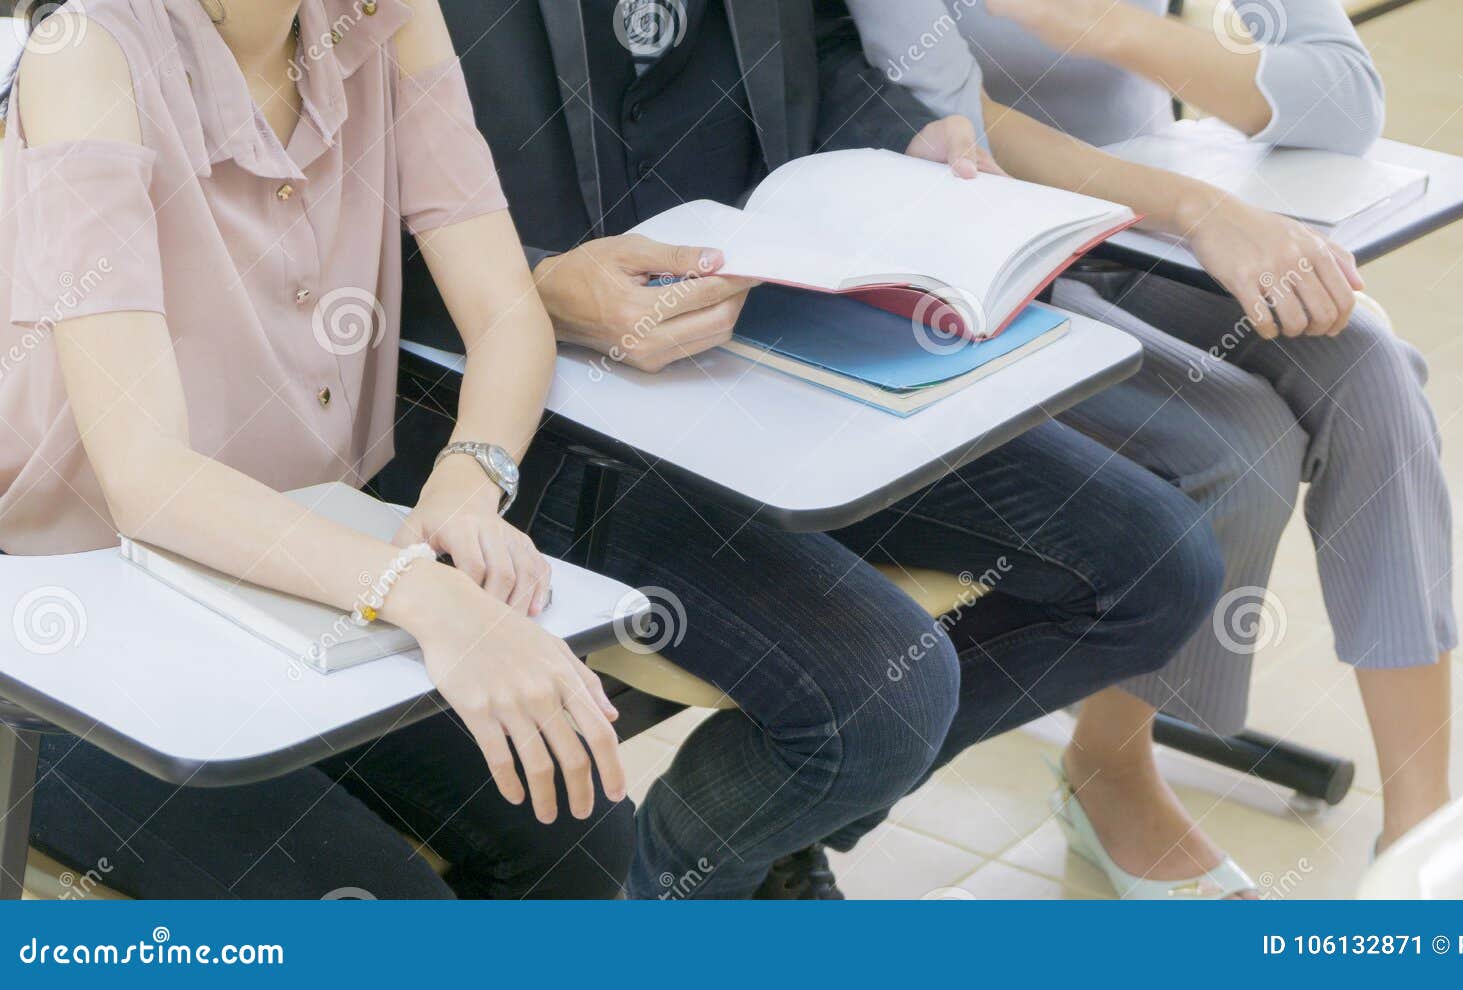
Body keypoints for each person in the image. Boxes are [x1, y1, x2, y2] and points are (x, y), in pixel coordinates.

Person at [387, 0, 1227, 899]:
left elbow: (821, 43)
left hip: (773, 344)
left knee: (1160, 566)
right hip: (527, 416)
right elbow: (315, 248)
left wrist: (898, 139)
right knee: (881, 702)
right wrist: (539, 291)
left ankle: (732, 846)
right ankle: (683, 879)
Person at [0, 0, 634, 899]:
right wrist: (425, 597)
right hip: (68, 620)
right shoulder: (86, 55)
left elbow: (506, 316)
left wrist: (468, 480)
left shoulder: (388, 17)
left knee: (578, 823)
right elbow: (148, 481)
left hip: (298, 575)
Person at [848, 0, 1455, 896]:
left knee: (1372, 377)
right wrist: (1199, 208)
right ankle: (1112, 770)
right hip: (975, 264)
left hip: (1141, 238)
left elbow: (1346, 94)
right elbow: (948, 122)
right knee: (1238, 441)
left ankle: (1424, 837)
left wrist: (1108, 26)